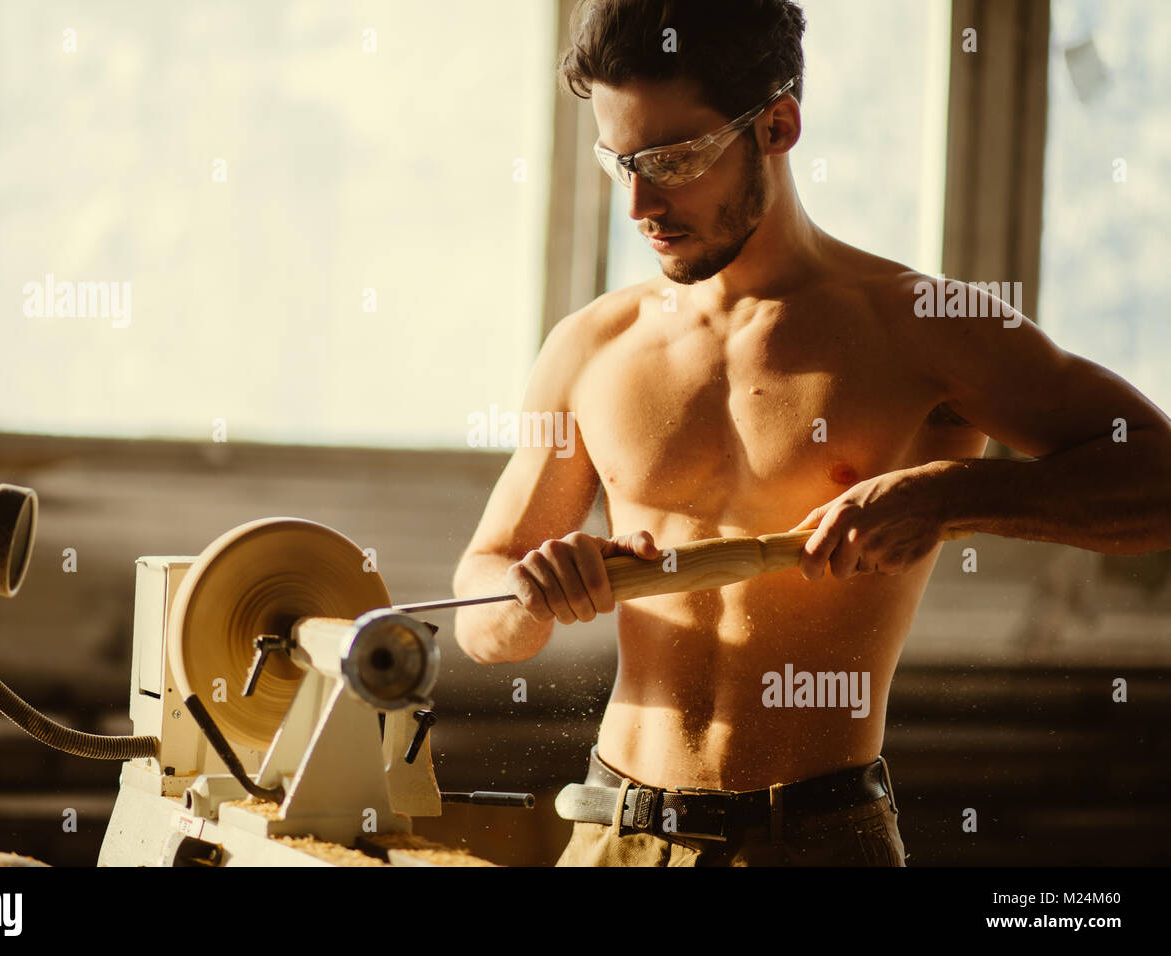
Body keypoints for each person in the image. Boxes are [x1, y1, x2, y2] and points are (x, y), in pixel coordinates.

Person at [451, 0, 1171, 866]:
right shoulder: (593, 346)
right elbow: (476, 601)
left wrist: (951, 496)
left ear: (779, 126)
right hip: (611, 834)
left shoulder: (921, 325)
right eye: (620, 162)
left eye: (674, 159)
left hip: (819, 841)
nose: (641, 202)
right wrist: (531, 596)